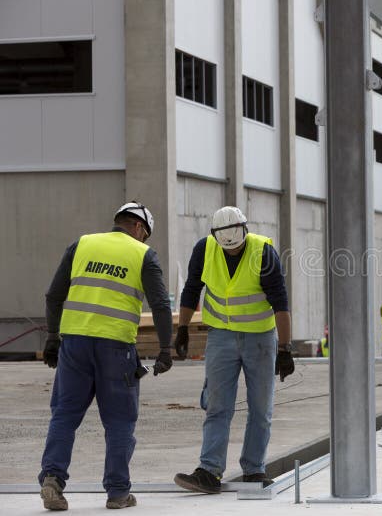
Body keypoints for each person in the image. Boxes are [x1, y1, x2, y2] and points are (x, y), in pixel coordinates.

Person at [39, 202, 174, 511]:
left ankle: (52, 481)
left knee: (65, 415)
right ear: (139, 228)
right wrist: (165, 349)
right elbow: (161, 306)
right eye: (145, 235)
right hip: (116, 349)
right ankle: (117, 492)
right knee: (119, 422)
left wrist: (51, 337)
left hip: (74, 344)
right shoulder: (143, 254)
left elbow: (53, 295)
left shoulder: (82, 245)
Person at [173, 206, 294, 494]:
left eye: (237, 246)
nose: (232, 251)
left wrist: (286, 348)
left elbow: (280, 301)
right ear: (215, 237)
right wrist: (182, 328)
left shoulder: (263, 253)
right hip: (221, 338)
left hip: (260, 339)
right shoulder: (205, 250)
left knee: (260, 408)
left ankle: (254, 471)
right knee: (217, 406)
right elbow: (191, 289)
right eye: (227, 247)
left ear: (245, 231)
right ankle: (209, 471)